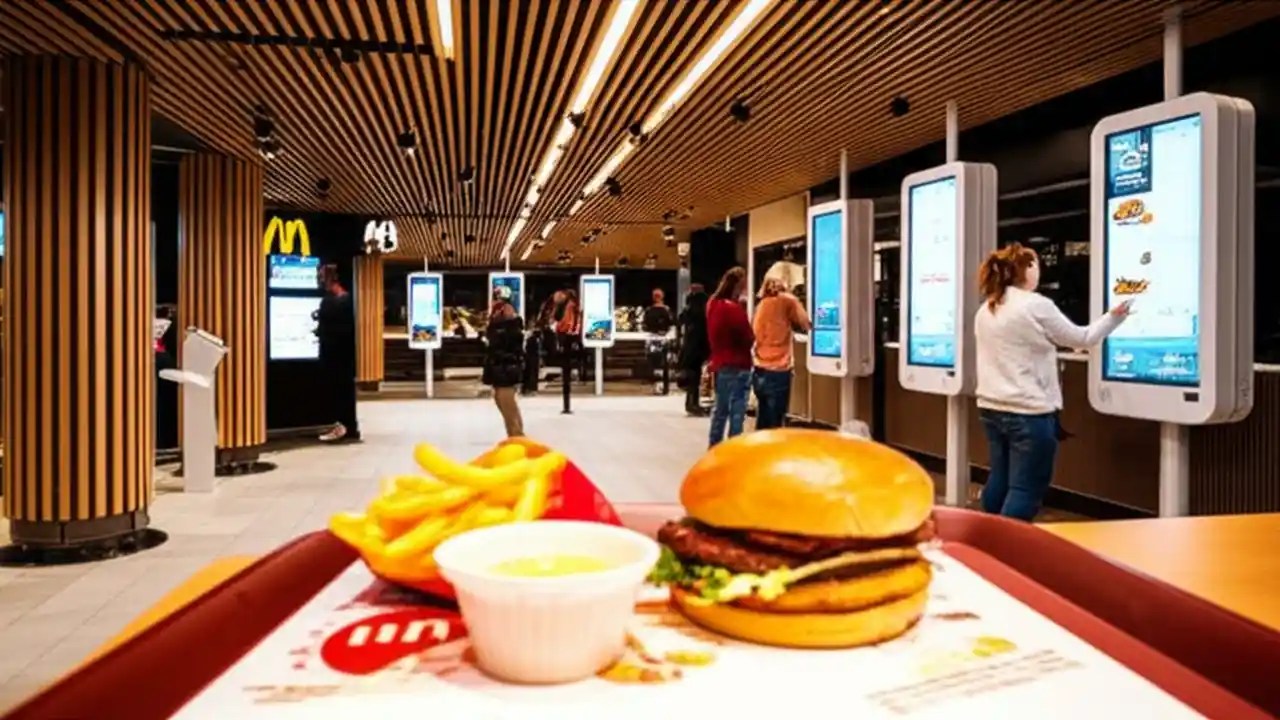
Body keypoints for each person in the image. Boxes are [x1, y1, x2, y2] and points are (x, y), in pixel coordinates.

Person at [974, 242, 1131, 521]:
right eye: (1035, 265)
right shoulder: (1036, 305)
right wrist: (1114, 317)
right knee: (1025, 489)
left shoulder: (987, 309)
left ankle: (984, 542)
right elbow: (1082, 339)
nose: (1040, 271)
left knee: (999, 478)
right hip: (1028, 412)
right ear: (1025, 269)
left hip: (991, 408)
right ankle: (1006, 548)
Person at [751, 277, 811, 430]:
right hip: (779, 368)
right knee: (776, 421)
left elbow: (755, 335)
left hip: (759, 368)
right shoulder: (788, 300)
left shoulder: (761, 305)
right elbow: (806, 323)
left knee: (763, 417)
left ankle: (759, 451)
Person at [705, 267, 753, 447]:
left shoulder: (712, 304)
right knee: (737, 412)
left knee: (720, 410)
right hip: (738, 364)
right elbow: (748, 337)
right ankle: (733, 450)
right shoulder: (734, 309)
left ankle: (714, 446)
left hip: (719, 363)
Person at [316, 264, 360, 442]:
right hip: (346, 355)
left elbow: (325, 329)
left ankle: (341, 426)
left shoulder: (330, 301)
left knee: (337, 391)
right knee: (346, 391)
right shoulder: (348, 299)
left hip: (333, 354)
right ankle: (349, 427)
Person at [483, 292, 525, 437]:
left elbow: (507, 346)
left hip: (506, 367)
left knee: (506, 401)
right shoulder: (502, 325)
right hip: (501, 366)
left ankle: (517, 435)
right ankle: (514, 434)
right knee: (502, 400)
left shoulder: (509, 327)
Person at [677, 284, 710, 416]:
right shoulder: (705, 306)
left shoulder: (689, 307)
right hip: (701, 344)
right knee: (695, 375)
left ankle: (691, 403)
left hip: (690, 345)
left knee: (692, 376)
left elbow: (680, 320)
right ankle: (693, 404)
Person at [642, 288, 675, 395]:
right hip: (661, 339)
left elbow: (645, 325)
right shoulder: (666, 310)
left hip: (656, 340)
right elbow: (671, 324)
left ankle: (659, 387)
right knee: (660, 363)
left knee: (657, 363)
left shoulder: (650, 310)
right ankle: (661, 387)